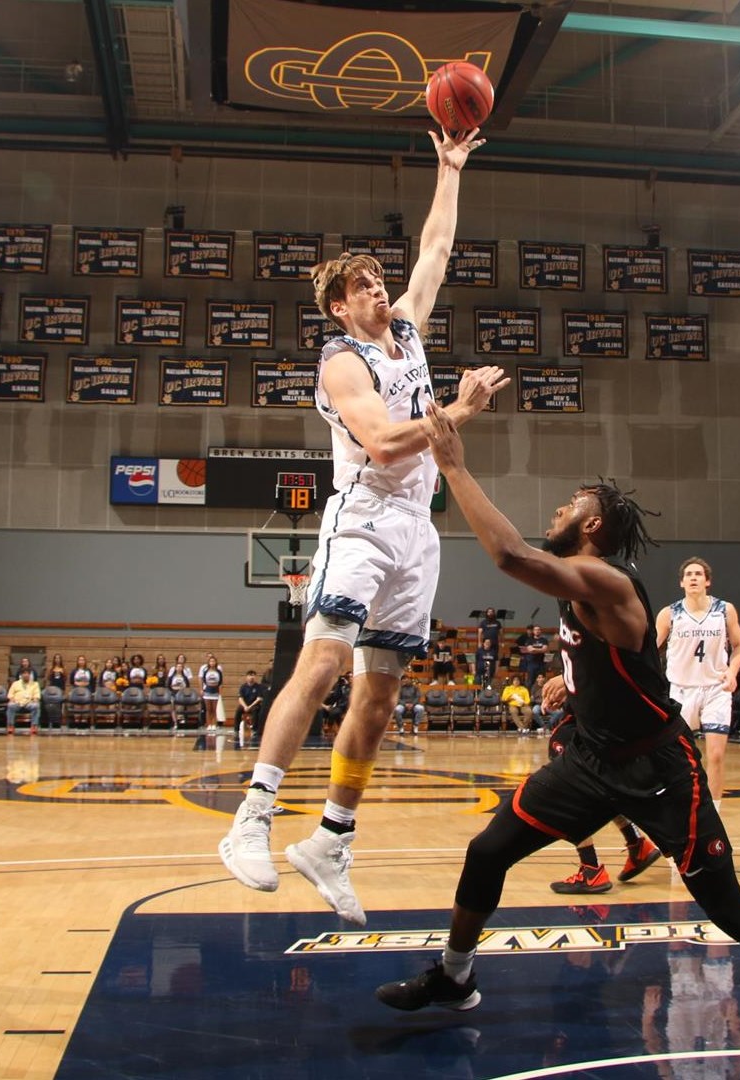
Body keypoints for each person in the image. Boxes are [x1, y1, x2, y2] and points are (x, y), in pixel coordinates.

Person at [374, 403, 740, 1011]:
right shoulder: (577, 583)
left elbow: (511, 557)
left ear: (594, 523)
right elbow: (607, 660)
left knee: (722, 902)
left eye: (569, 504)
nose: (556, 509)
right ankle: (455, 974)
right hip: (591, 760)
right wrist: (569, 684)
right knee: (487, 851)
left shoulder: (608, 580)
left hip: (658, 768)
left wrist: (454, 467)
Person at [218, 123, 507, 927]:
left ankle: (331, 842)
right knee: (321, 663)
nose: (382, 287)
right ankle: (252, 820)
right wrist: (460, 410)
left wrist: (448, 169)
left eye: (382, 278)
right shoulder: (342, 360)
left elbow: (437, 250)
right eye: (366, 284)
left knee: (378, 697)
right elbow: (380, 441)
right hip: (364, 519)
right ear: (341, 305)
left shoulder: (409, 329)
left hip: (417, 528)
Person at [658, 557, 740, 803]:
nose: (693, 577)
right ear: (681, 582)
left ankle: (714, 813)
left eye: (698, 574)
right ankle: (677, 807)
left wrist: (732, 671)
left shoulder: (724, 610)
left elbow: (739, 647)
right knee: (676, 756)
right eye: (689, 574)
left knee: (716, 755)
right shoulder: (670, 614)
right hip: (681, 691)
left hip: (716, 689)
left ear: (707, 581)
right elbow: (649, 651)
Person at [234, 670, 268, 745]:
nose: (251, 677)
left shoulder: (259, 687)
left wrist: (250, 706)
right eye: (250, 675)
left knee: (256, 711)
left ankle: (254, 729)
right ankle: (236, 730)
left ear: (255, 677)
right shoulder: (243, 687)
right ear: (246, 677)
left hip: (254, 705)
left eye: (253, 675)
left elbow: (258, 699)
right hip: (245, 705)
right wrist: (245, 706)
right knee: (238, 711)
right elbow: (240, 698)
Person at [6, 669, 42, 735]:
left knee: (36, 706)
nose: (26, 675)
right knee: (10, 705)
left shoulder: (35, 684)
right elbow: (10, 694)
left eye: (27, 674)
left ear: (30, 675)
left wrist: (35, 699)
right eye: (24, 674)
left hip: (29, 703)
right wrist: (12, 699)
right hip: (17, 703)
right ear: (21, 675)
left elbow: (37, 695)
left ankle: (34, 726)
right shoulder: (15, 684)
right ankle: (10, 725)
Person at [198, 653, 224, 728]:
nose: (212, 663)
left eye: (213, 661)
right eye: (211, 661)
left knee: (214, 710)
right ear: (209, 663)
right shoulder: (205, 671)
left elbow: (221, 682)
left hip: (215, 691)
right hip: (208, 691)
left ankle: (214, 725)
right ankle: (209, 724)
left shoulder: (218, 671)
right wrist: (202, 689)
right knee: (208, 710)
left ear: (216, 662)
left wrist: (220, 692)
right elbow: (203, 680)